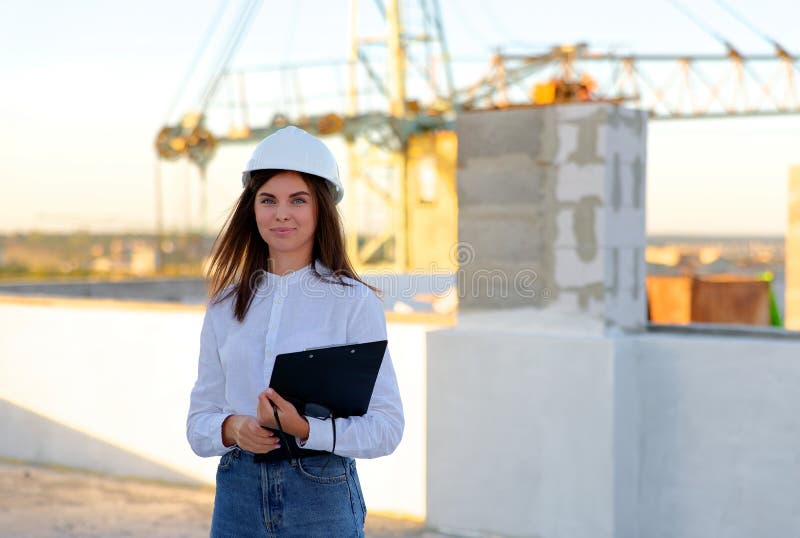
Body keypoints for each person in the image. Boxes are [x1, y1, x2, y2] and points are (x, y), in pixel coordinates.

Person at [186, 126, 404, 537]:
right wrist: (235, 428)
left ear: (321, 209)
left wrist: (306, 429)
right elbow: (199, 423)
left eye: (297, 200)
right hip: (238, 495)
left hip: (322, 496)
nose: (281, 213)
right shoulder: (223, 305)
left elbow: (387, 428)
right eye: (268, 200)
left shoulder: (354, 302)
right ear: (252, 209)